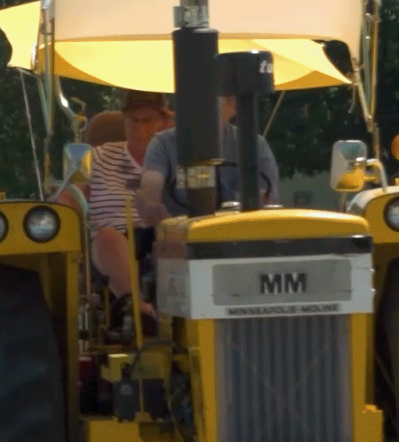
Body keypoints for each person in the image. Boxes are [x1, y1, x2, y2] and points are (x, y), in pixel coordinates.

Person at [58, 89, 171, 316]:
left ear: (164, 122)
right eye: (132, 121)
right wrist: (62, 204)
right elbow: (69, 198)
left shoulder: (178, 159)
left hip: (166, 237)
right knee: (107, 237)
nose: (139, 130)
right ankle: (139, 311)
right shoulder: (94, 156)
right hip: (114, 240)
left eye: (147, 121)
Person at [137, 94, 280, 227]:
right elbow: (151, 184)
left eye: (207, 104)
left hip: (242, 232)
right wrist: (150, 204)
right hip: (183, 236)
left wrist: (261, 199)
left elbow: (268, 197)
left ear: (232, 106)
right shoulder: (163, 144)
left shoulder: (254, 144)